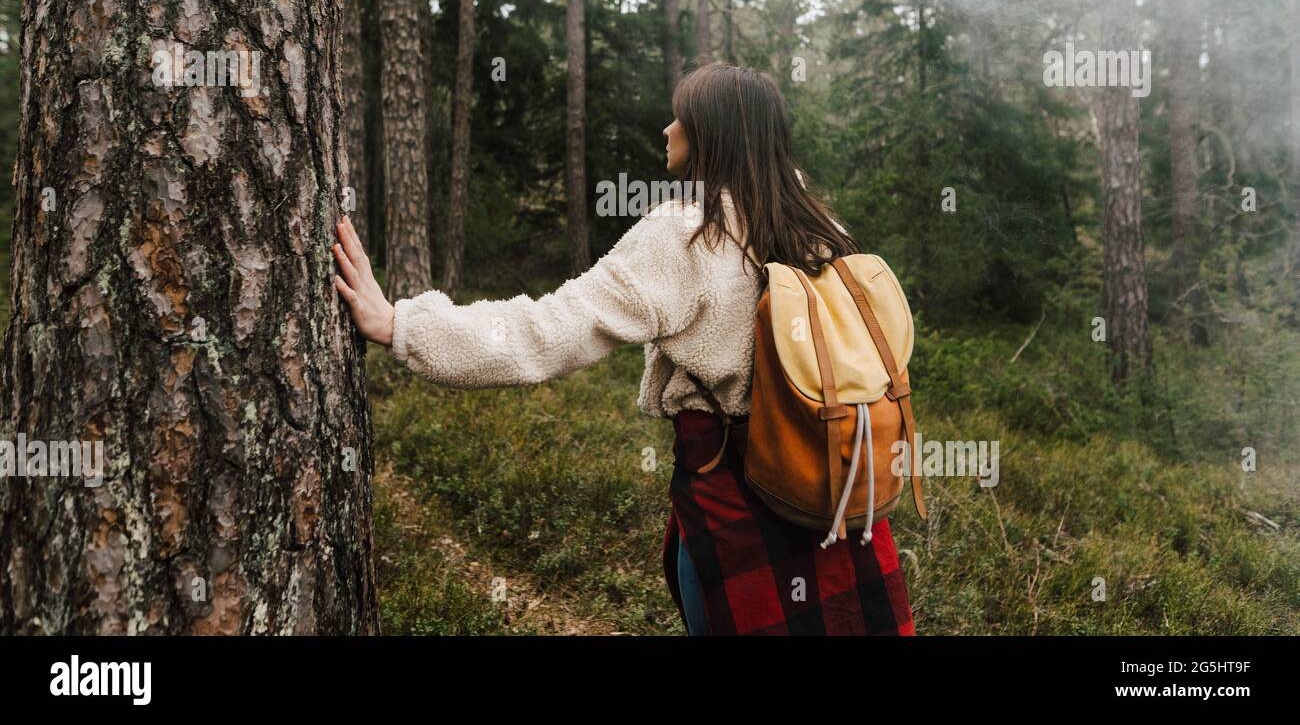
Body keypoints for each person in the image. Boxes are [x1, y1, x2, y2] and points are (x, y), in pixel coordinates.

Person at [333, 61, 915, 635]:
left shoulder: (687, 232)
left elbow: (547, 331)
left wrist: (401, 326)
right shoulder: (819, 226)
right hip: (835, 485)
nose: (667, 130)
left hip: (739, 498)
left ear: (711, 134)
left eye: (680, 118)